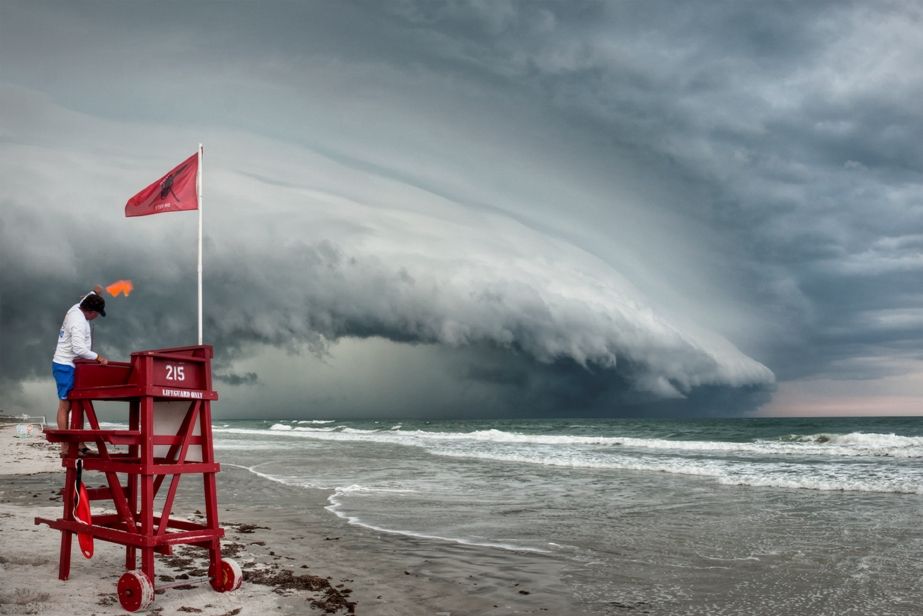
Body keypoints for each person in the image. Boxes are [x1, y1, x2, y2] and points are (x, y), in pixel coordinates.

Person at [52, 285, 109, 456]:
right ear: (90, 311)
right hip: (64, 365)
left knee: (79, 404)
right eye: (96, 313)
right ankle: (65, 447)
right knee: (66, 405)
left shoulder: (78, 307)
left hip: (75, 365)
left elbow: (88, 296)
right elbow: (79, 349)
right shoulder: (77, 323)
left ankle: (79, 443)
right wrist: (99, 358)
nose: (97, 316)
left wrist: (96, 292)